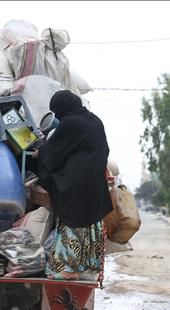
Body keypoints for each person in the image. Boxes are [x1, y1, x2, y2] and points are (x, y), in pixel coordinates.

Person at [37, 90, 113, 280]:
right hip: (94, 183)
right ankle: (84, 267)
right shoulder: (94, 120)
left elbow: (53, 151)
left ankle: (68, 270)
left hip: (76, 184)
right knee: (88, 224)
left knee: (72, 223)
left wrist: (39, 154)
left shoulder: (70, 123)